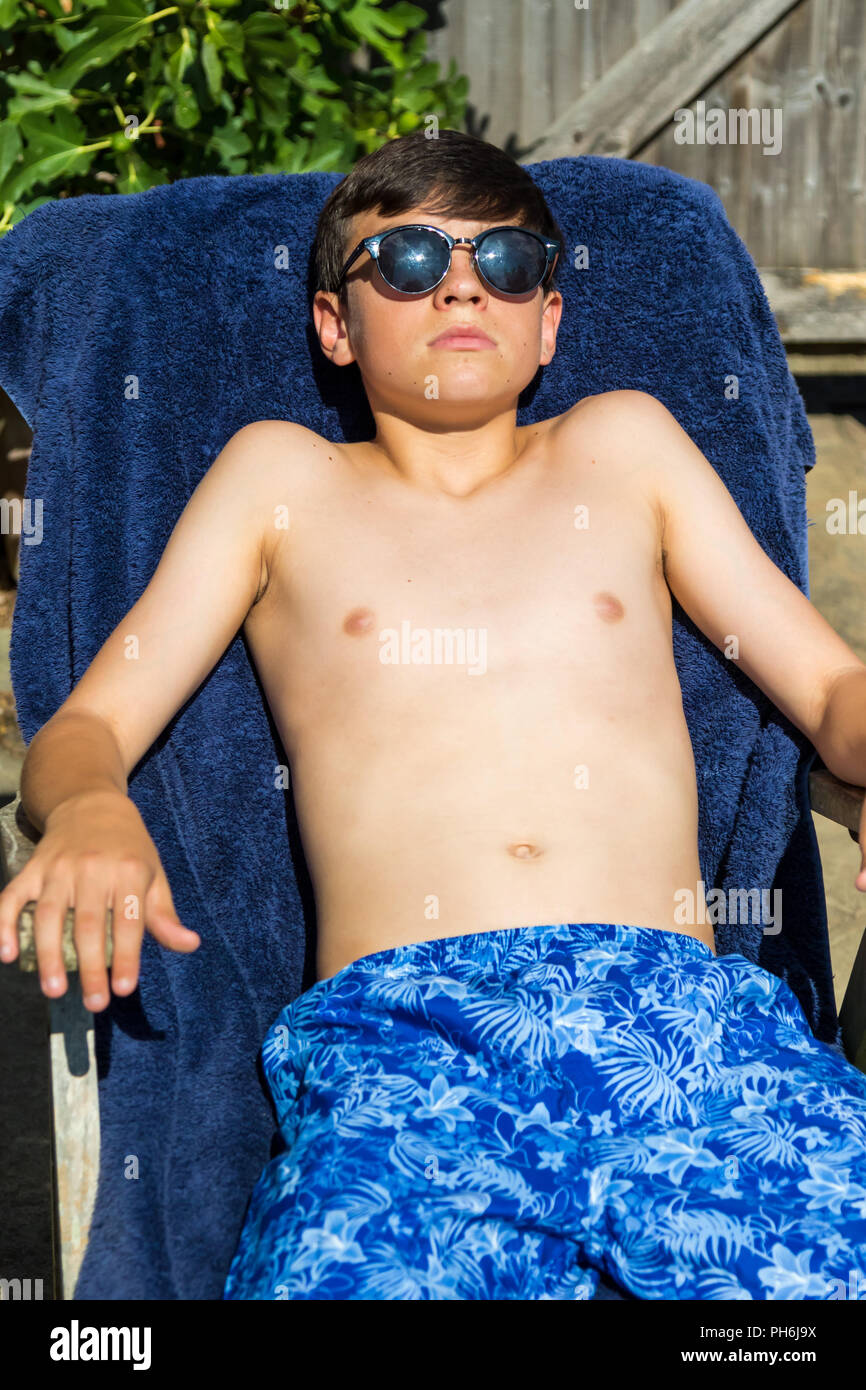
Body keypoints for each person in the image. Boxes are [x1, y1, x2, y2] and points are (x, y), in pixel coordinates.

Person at [2, 129, 866, 1300]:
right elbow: (86, 725)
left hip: (679, 1027)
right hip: (406, 1038)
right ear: (333, 323)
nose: (460, 282)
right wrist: (92, 804)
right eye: (405, 260)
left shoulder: (625, 447)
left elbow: (826, 688)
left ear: (547, 320)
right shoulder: (280, 481)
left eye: (505, 262)